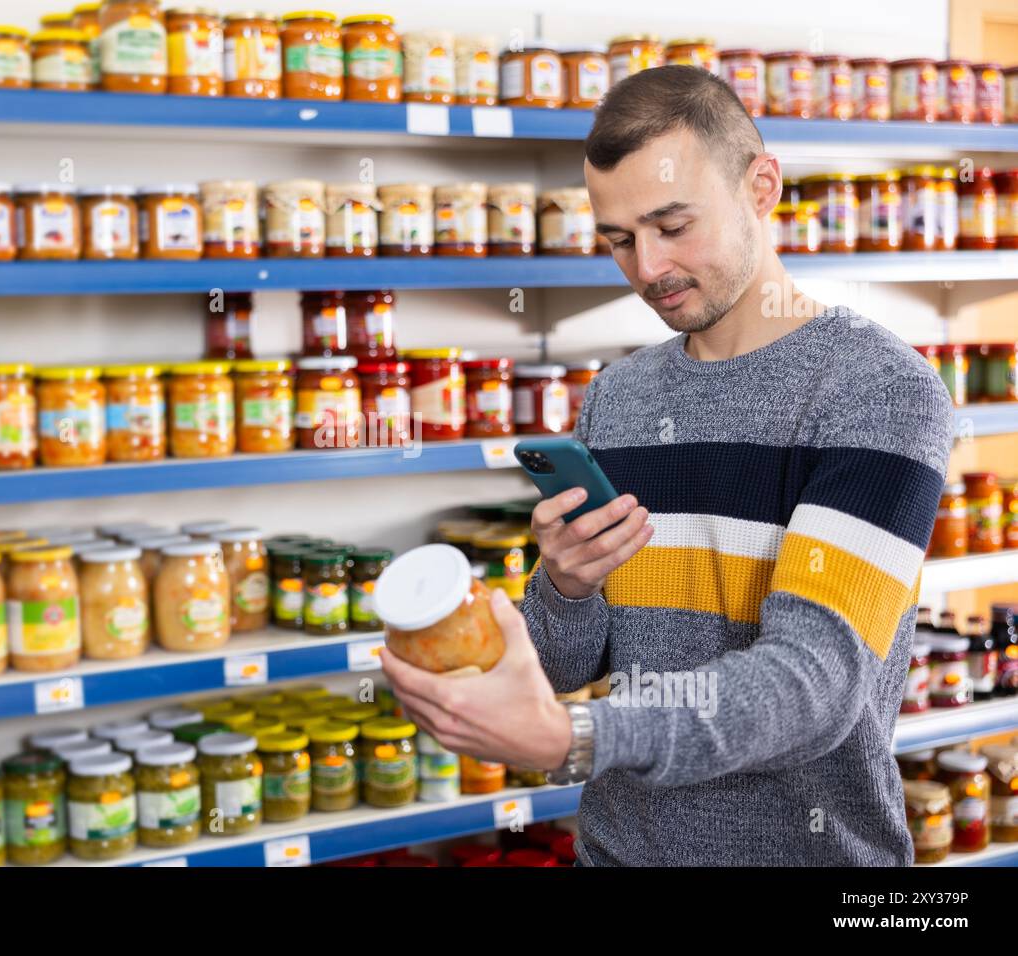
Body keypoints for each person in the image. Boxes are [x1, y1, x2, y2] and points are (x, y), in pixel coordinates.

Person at [380, 65, 954, 866]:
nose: (648, 267)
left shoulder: (879, 391)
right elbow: (567, 665)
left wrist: (578, 737)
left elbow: (814, 686)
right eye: (619, 239)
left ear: (761, 187)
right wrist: (567, 587)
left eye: (673, 225)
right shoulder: (617, 397)